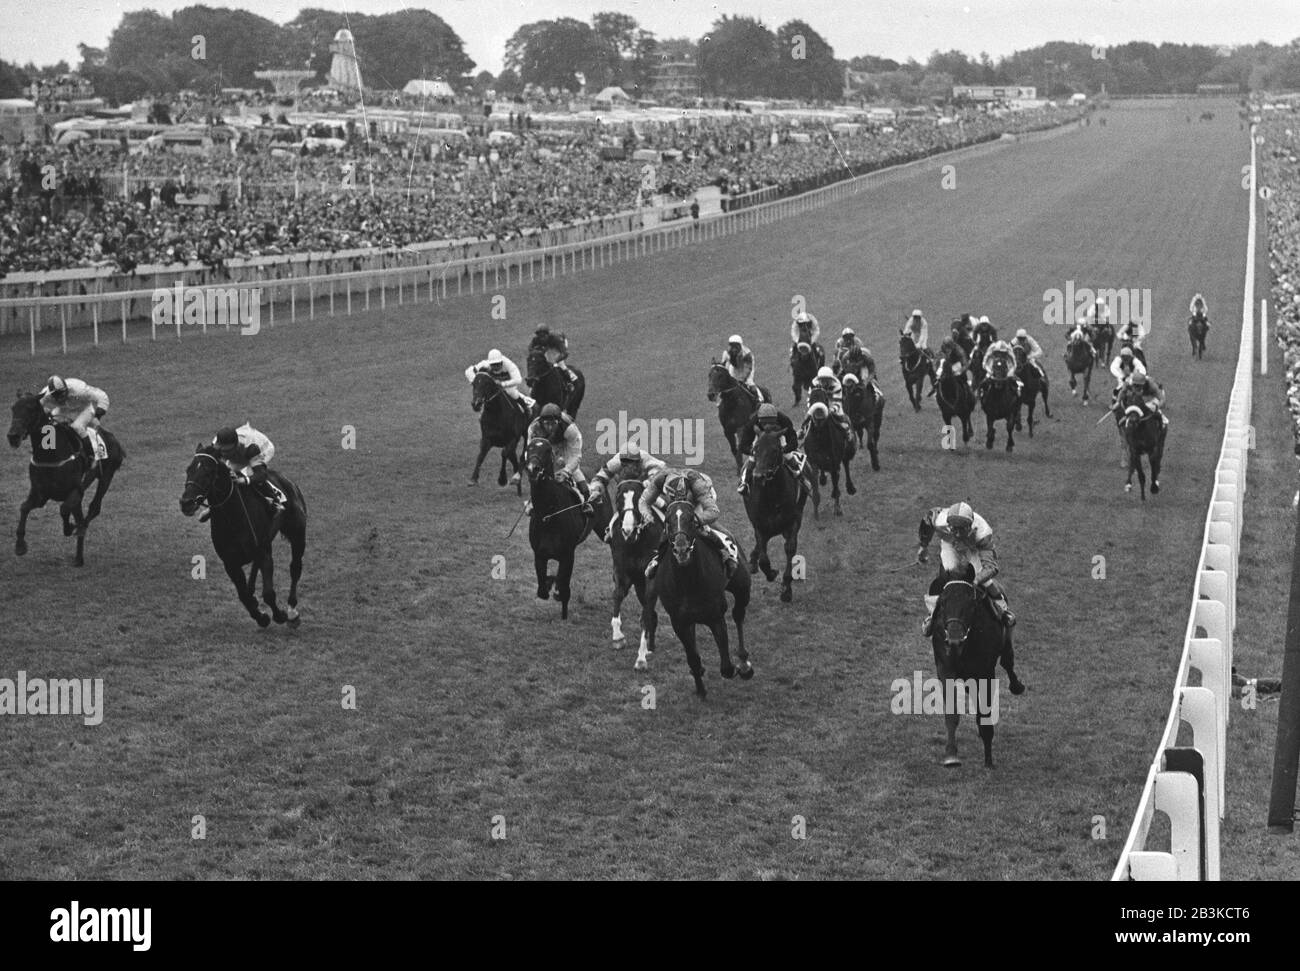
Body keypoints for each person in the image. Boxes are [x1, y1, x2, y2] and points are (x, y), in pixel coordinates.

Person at [916, 500, 1016, 634]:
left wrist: (976, 580)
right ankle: (932, 616)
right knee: (945, 577)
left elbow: (991, 567)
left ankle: (1003, 610)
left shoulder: (983, 533)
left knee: (984, 580)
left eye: (961, 529)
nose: (957, 534)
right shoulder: (939, 519)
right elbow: (927, 520)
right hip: (949, 544)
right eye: (953, 529)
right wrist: (923, 546)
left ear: (970, 526)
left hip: (972, 547)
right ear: (948, 523)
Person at [640, 467, 740, 579]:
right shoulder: (659, 479)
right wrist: (646, 515)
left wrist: (696, 520)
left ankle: (727, 554)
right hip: (676, 506)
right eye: (672, 496)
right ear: (666, 489)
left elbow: (713, 512)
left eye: (681, 496)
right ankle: (658, 558)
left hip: (698, 500)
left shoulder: (698, 484)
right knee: (671, 528)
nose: (677, 498)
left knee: (703, 529)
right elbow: (644, 501)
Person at [590, 442, 667, 541]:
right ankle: (611, 529)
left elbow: (658, 475)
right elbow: (600, 477)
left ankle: (669, 516)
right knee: (622, 504)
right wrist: (596, 490)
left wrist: (649, 482)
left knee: (656, 500)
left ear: (639, 461)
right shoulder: (615, 462)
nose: (629, 466)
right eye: (625, 463)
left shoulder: (647, 460)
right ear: (621, 462)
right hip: (627, 490)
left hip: (648, 485)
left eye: (633, 463)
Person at [525, 403, 592, 514]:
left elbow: (576, 456)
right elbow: (530, 451)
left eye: (553, 424)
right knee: (538, 472)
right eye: (547, 424)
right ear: (541, 422)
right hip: (544, 443)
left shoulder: (570, 429)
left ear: (559, 422)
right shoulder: (534, 428)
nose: (550, 427)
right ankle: (533, 501)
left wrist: (566, 471)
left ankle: (586, 497)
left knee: (571, 467)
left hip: (565, 443)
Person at [737, 402, 810, 495]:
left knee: (788, 456)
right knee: (752, 459)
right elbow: (743, 445)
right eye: (764, 423)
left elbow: (793, 441)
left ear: (776, 419)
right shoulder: (752, 422)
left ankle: (801, 478)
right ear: (759, 420)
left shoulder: (783, 419)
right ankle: (745, 483)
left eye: (771, 422)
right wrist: (752, 451)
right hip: (760, 437)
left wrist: (784, 449)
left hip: (778, 436)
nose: (767, 426)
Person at [213, 423, 287, 514]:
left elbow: (261, 475)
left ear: (236, 445)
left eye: (227, 451)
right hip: (239, 453)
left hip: (262, 448)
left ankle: (274, 499)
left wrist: (244, 480)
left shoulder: (251, 447)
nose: (224, 454)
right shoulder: (216, 444)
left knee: (249, 473)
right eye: (221, 450)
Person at [36, 375, 109, 464]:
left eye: (61, 394)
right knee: (50, 425)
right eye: (56, 396)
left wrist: (98, 416)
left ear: (66, 388)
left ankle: (91, 456)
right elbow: (36, 405)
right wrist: (43, 410)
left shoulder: (80, 389)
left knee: (77, 427)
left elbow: (102, 396)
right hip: (63, 410)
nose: (59, 398)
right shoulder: (46, 394)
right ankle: (47, 452)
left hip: (84, 409)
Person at [464, 348, 534, 416]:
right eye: (493, 365)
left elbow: (518, 379)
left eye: (498, 364)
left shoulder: (509, 364)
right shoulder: (485, 364)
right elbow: (468, 371)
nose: (495, 367)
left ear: (501, 362)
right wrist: (477, 382)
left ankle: (525, 408)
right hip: (492, 387)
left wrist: (503, 384)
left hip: (508, 386)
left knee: (512, 392)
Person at [802, 366, 852, 437]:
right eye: (822, 379)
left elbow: (837, 402)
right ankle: (803, 432)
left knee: (840, 417)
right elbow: (809, 400)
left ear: (830, 379)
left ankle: (847, 433)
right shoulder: (814, 383)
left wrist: (831, 410)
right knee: (808, 421)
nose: (824, 382)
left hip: (832, 403)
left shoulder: (836, 384)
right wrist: (812, 410)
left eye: (826, 379)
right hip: (817, 404)